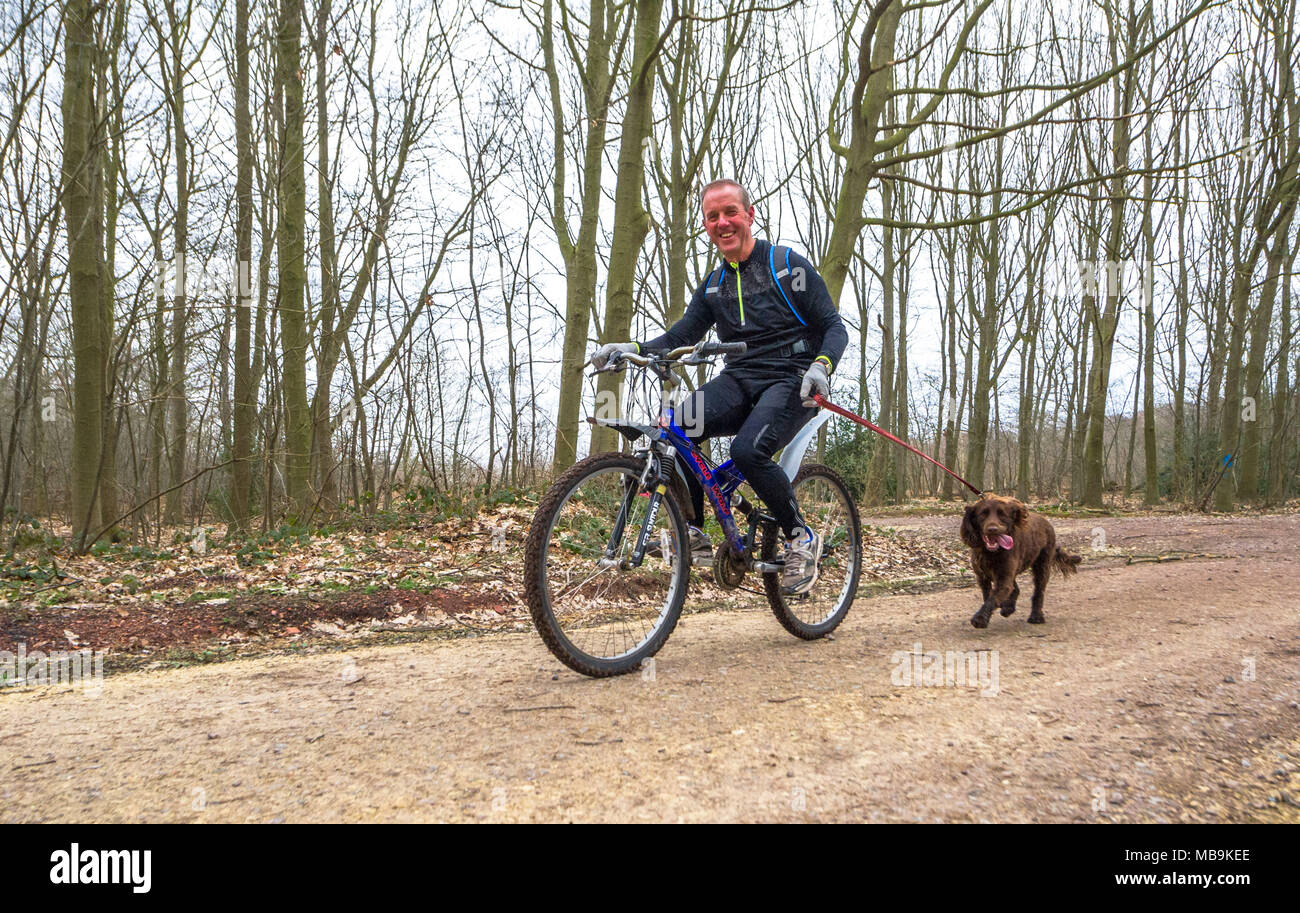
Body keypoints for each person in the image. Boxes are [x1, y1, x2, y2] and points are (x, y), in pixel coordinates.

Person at [592, 179, 848, 595]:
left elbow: (833, 326)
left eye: (730, 212)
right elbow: (680, 334)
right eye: (713, 217)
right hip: (740, 377)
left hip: (792, 379)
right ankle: (694, 532)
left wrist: (822, 366)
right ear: (707, 226)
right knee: (677, 426)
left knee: (747, 451)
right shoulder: (714, 285)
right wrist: (630, 347)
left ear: (749, 215)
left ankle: (800, 536)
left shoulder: (786, 266)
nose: (723, 223)